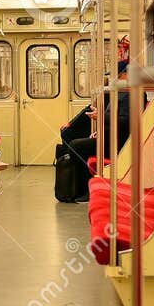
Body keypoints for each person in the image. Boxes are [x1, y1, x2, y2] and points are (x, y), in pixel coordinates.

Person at [56, 60, 134, 202]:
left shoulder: (132, 94)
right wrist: (100, 129)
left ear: (126, 75)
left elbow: (126, 122)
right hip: (110, 136)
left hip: (119, 141)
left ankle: (85, 190)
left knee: (76, 146)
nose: (113, 79)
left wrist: (101, 117)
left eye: (116, 76)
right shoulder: (121, 93)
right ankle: (78, 188)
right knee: (74, 142)